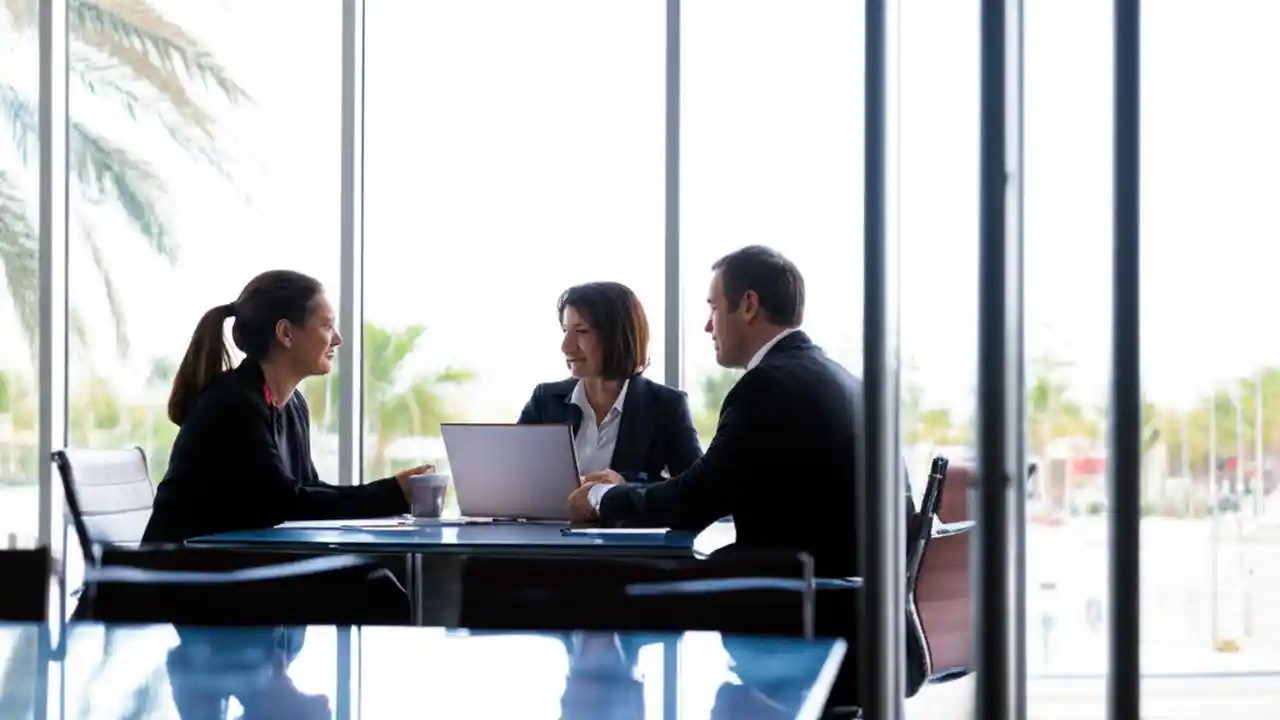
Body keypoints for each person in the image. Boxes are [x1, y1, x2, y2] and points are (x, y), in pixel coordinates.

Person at [568, 246, 862, 576]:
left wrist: (600, 497)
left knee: (640, 591)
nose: (709, 326)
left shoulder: (766, 387)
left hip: (807, 595)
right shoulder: (844, 381)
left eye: (714, 308)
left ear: (748, 306)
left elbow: (693, 501)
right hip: (853, 587)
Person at [142, 270, 430, 543]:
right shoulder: (233, 405)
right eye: (326, 326)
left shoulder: (292, 406)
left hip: (233, 569)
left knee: (372, 580)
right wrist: (391, 493)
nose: (337, 339)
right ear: (286, 333)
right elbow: (281, 502)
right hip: (183, 576)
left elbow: (307, 489)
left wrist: (395, 492)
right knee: (370, 585)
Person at [518, 282, 701, 483]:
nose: (566, 346)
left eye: (581, 331)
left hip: (622, 516)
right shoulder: (545, 400)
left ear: (617, 336)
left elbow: (697, 489)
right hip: (553, 515)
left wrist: (626, 484)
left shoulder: (666, 405)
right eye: (565, 330)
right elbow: (512, 474)